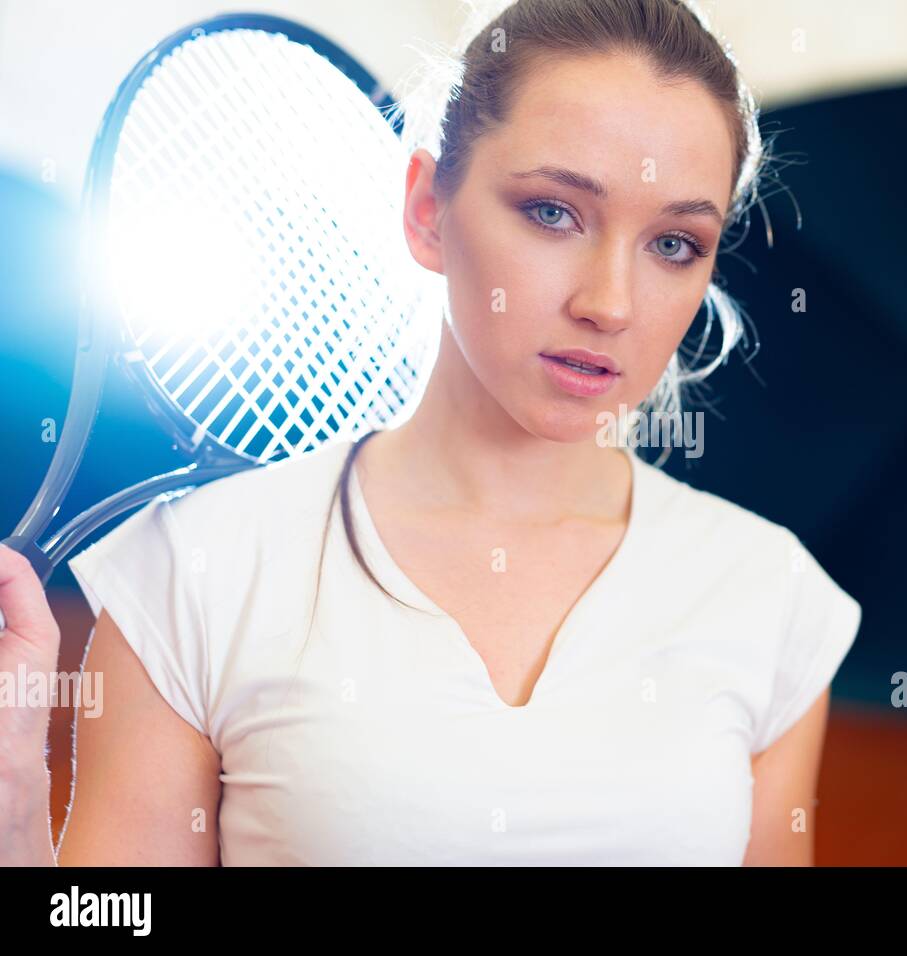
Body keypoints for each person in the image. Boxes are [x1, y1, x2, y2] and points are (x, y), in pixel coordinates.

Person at [0, 0, 863, 866]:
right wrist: (12, 811)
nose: (609, 303)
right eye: (553, 213)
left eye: (674, 243)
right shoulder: (193, 575)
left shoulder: (770, 598)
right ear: (424, 210)